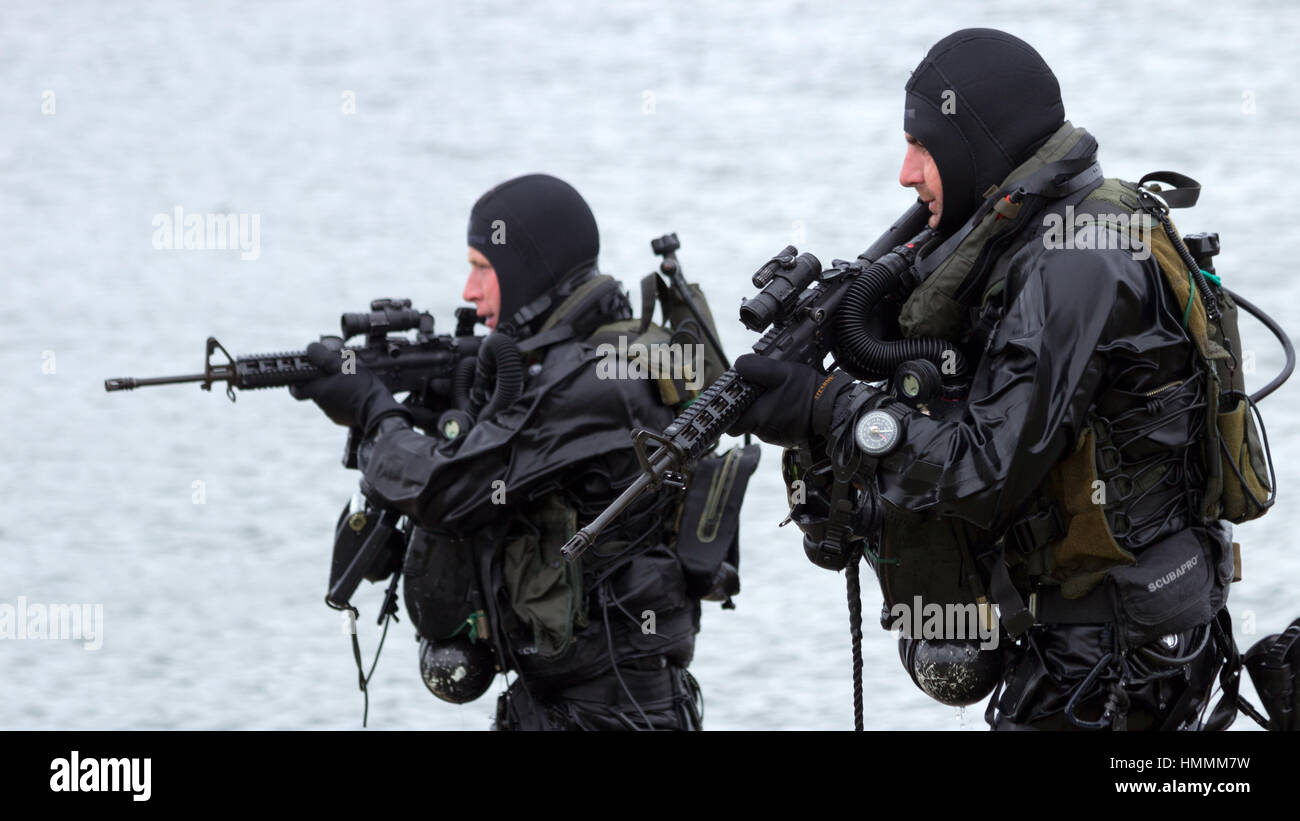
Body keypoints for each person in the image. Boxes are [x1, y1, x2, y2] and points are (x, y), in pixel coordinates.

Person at [727, 29, 1252, 730]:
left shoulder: (1075, 259)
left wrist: (831, 407)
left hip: (1114, 658)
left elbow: (986, 469)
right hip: (1101, 638)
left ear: (976, 144)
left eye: (922, 146)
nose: (907, 173)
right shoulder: (1036, 235)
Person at [293, 173, 722, 730]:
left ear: (527, 268)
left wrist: (374, 412)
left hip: (610, 714)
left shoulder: (597, 384)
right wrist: (445, 411)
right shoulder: (605, 354)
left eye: (482, 267)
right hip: (580, 704)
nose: (469, 291)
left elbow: (447, 490)